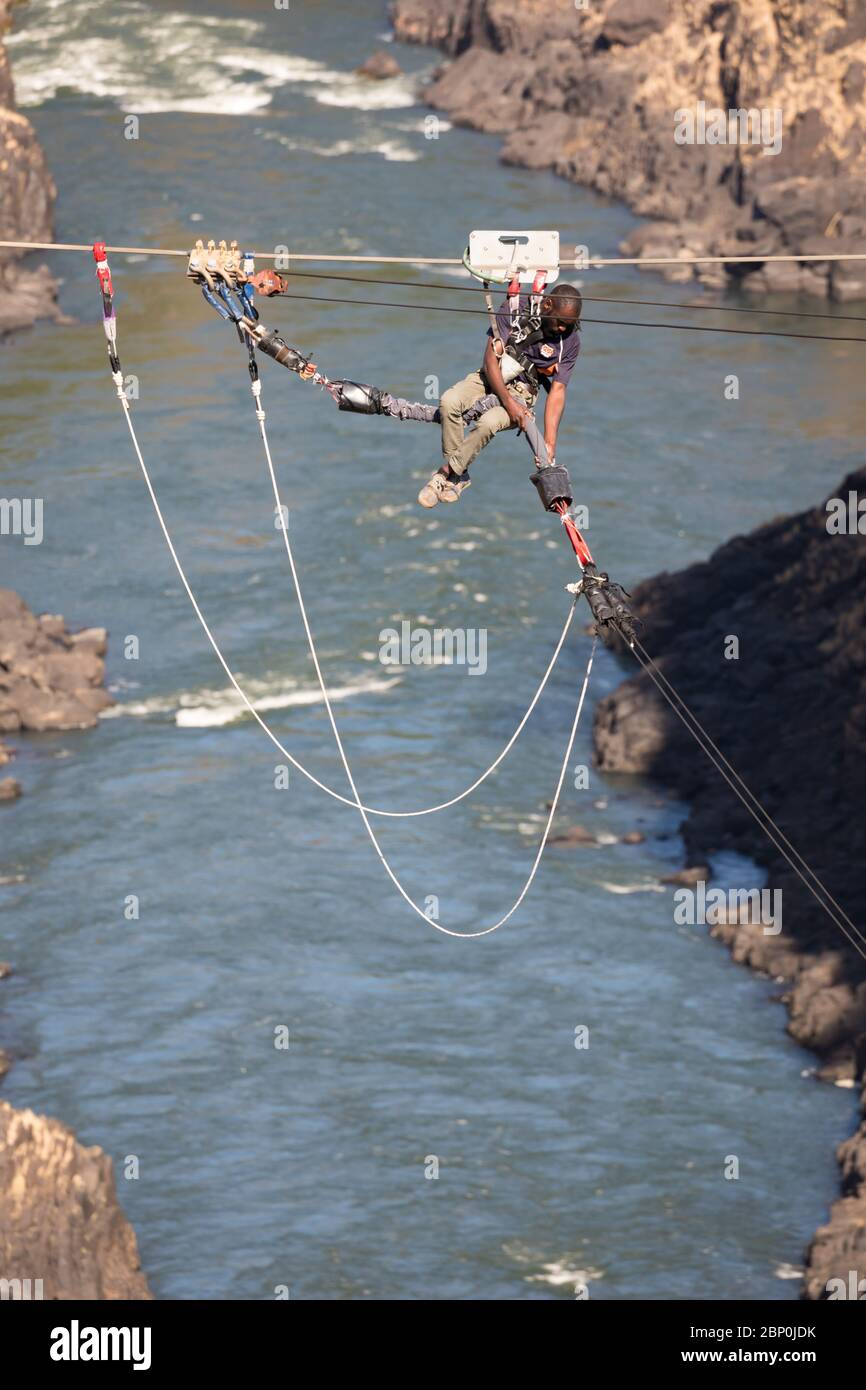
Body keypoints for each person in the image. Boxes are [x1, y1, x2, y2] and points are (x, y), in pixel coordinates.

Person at [417, 283, 582, 508]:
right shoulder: (514, 309)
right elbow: (490, 360)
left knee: (488, 422)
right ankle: (459, 475)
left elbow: (558, 390)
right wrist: (507, 402)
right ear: (547, 304)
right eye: (561, 322)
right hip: (491, 376)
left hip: (523, 393)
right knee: (449, 402)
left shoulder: (570, 341)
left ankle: (445, 473)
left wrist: (549, 442)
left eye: (569, 325)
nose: (564, 329)